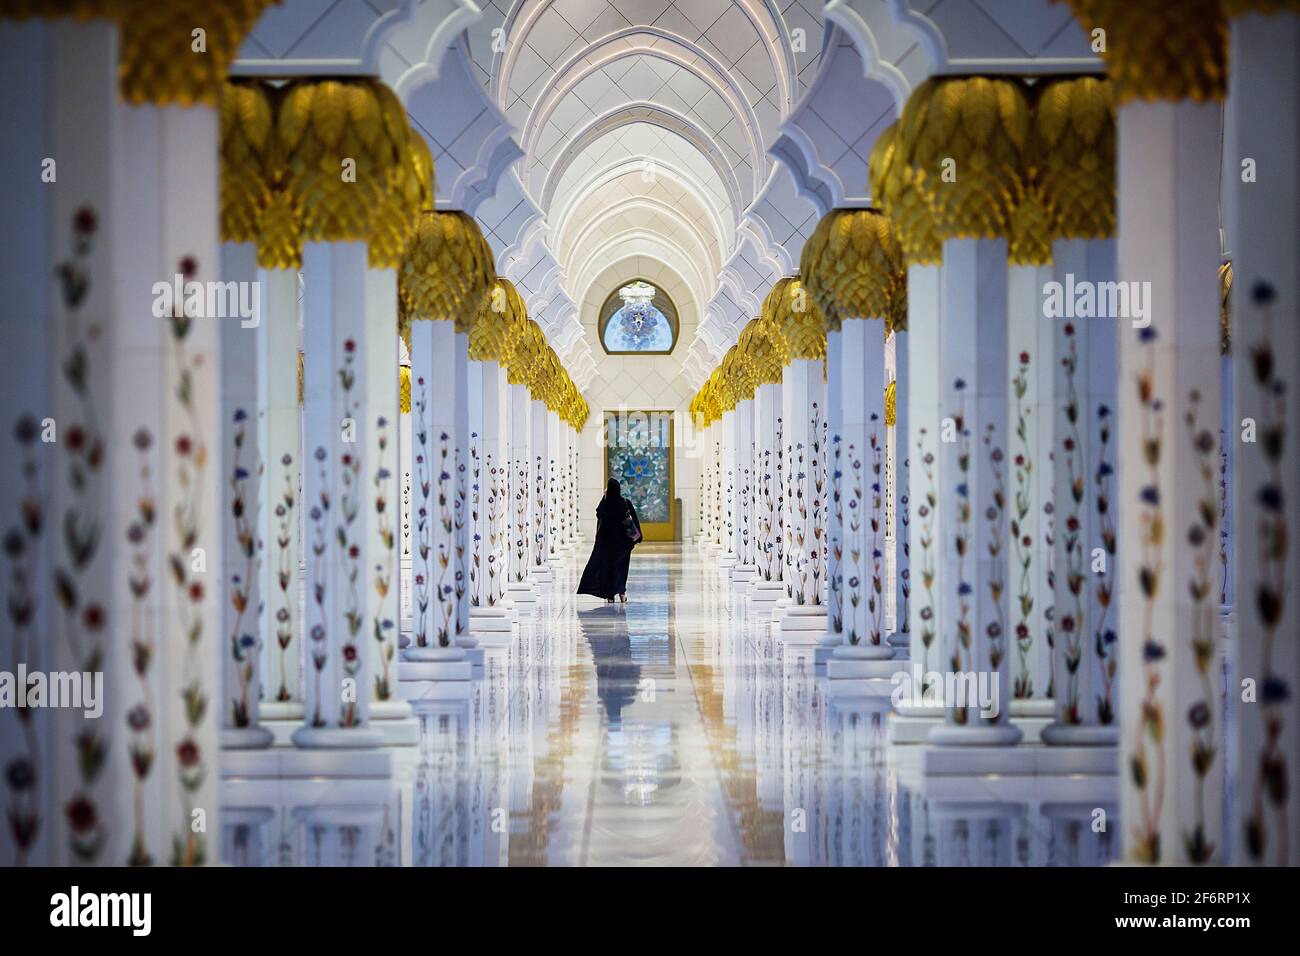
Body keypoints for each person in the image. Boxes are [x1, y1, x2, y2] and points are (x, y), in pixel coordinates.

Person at [577, 478, 642, 603]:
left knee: (608, 569)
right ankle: (622, 594)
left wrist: (604, 497)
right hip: (622, 544)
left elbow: (598, 514)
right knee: (621, 569)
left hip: (607, 545)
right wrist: (636, 539)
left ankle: (610, 595)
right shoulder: (625, 502)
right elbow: (634, 519)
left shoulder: (605, 504)